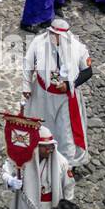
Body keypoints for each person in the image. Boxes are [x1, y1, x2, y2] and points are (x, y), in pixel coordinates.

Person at [21, 20, 91, 167]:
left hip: (65, 98)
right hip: (42, 94)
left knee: (66, 132)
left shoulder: (78, 48)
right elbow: (28, 64)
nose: (52, 36)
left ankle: (66, 164)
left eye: (56, 35)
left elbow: (87, 71)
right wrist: (26, 86)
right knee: (40, 126)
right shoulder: (38, 43)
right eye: (51, 33)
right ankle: (38, 153)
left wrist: (69, 84)